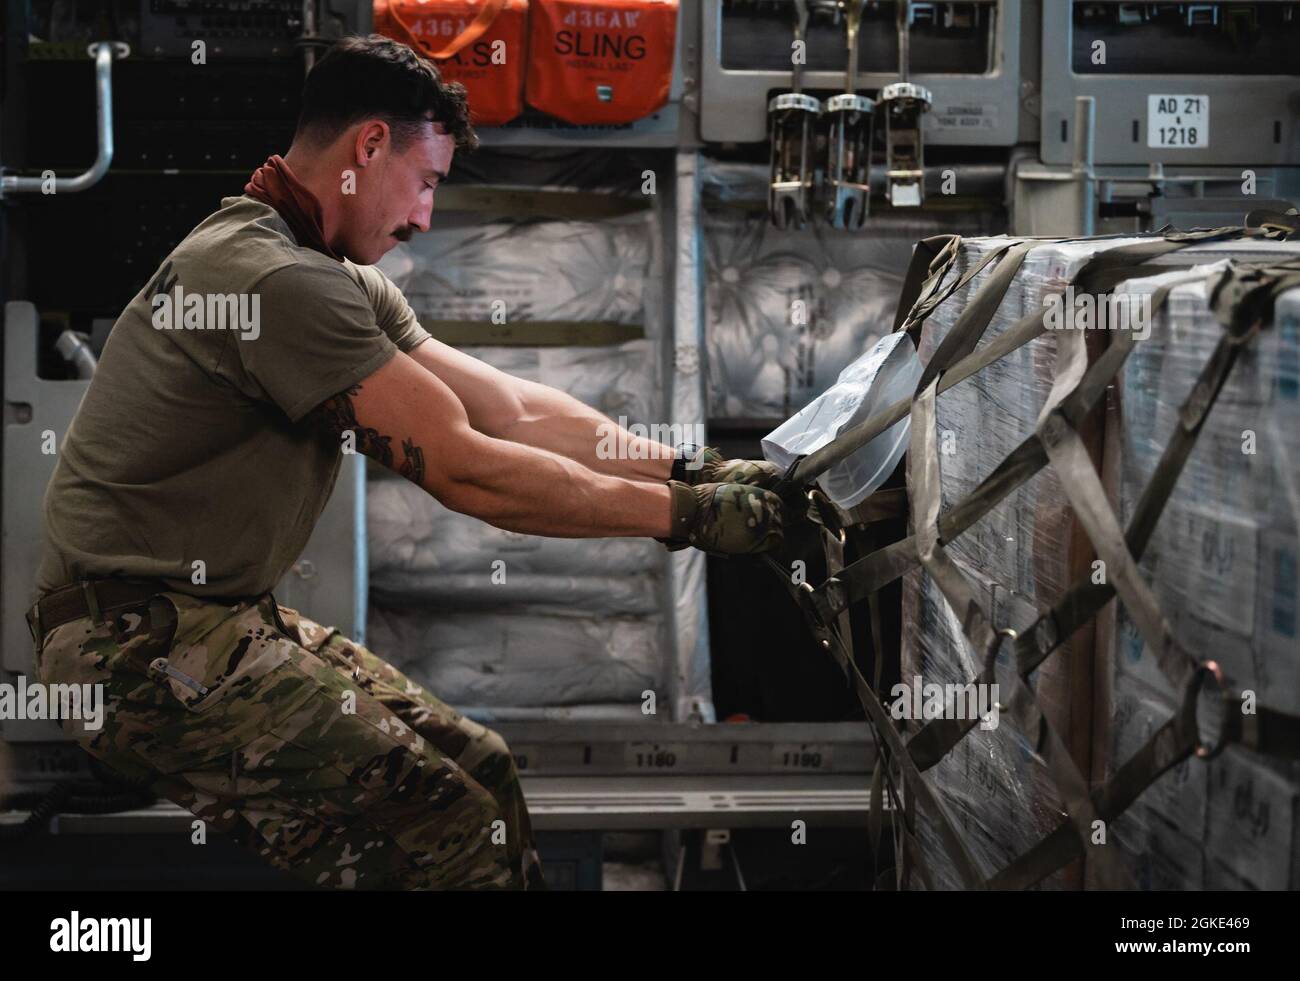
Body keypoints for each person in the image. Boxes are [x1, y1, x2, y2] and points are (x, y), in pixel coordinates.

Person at [28, 34, 785, 890]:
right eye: (425, 182)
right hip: (130, 649)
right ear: (369, 147)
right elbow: (468, 467)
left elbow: (510, 408)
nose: (425, 216)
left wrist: (693, 472)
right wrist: (689, 522)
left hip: (212, 618)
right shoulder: (273, 278)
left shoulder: (332, 273)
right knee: (445, 822)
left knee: (484, 769)